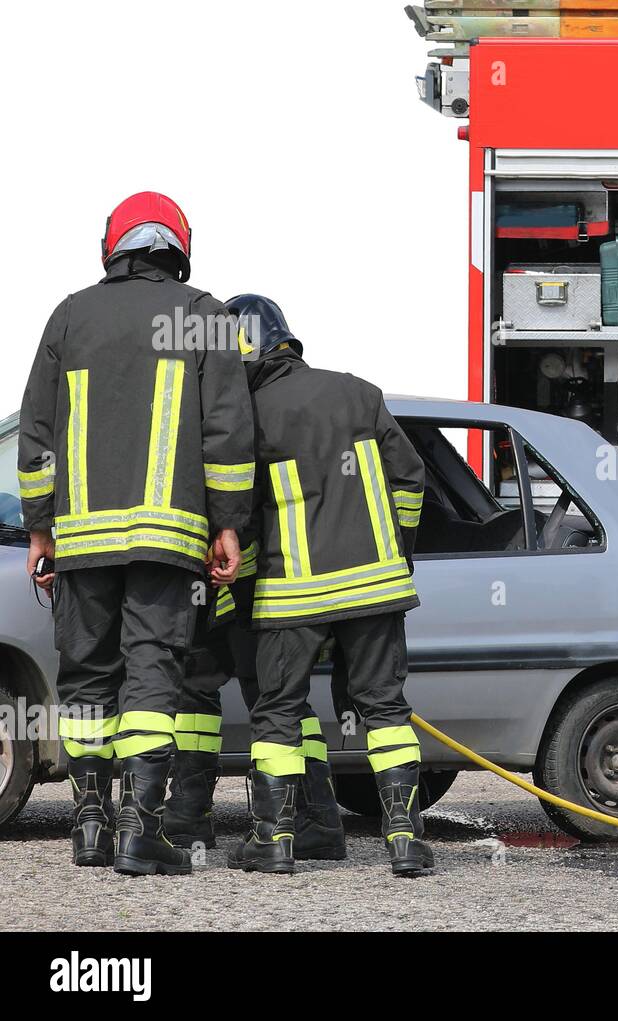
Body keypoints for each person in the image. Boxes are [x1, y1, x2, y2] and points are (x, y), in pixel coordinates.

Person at [18, 192, 253, 874]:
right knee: (153, 671)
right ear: (178, 248)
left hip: (81, 542)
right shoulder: (206, 317)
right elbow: (228, 434)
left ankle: (89, 823)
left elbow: (37, 434)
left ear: (111, 248)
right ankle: (140, 830)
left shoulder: (69, 316)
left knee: (87, 672)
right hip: (168, 540)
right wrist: (229, 525)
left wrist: (41, 530)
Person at [223, 294, 431, 876]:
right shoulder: (359, 392)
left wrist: (238, 597)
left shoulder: (250, 416)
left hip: (292, 594)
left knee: (277, 713)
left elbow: (239, 517)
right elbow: (410, 483)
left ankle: (275, 840)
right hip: (377, 588)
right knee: (385, 709)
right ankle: (405, 841)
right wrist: (397, 560)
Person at [164, 525, 347, 861]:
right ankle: (188, 811)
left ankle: (315, 819)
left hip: (256, 573)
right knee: (198, 681)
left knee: (272, 692)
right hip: (213, 575)